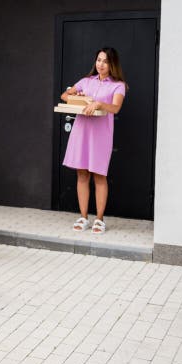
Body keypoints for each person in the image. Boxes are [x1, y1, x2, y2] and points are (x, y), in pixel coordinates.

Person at [62, 47, 127, 235]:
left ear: (112, 64)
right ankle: (83, 217)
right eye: (99, 60)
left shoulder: (118, 85)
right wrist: (76, 97)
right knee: (82, 175)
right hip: (81, 132)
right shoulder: (86, 81)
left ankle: (99, 219)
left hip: (100, 135)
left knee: (99, 176)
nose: (101, 64)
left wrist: (99, 103)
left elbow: (115, 108)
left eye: (105, 61)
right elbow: (64, 96)